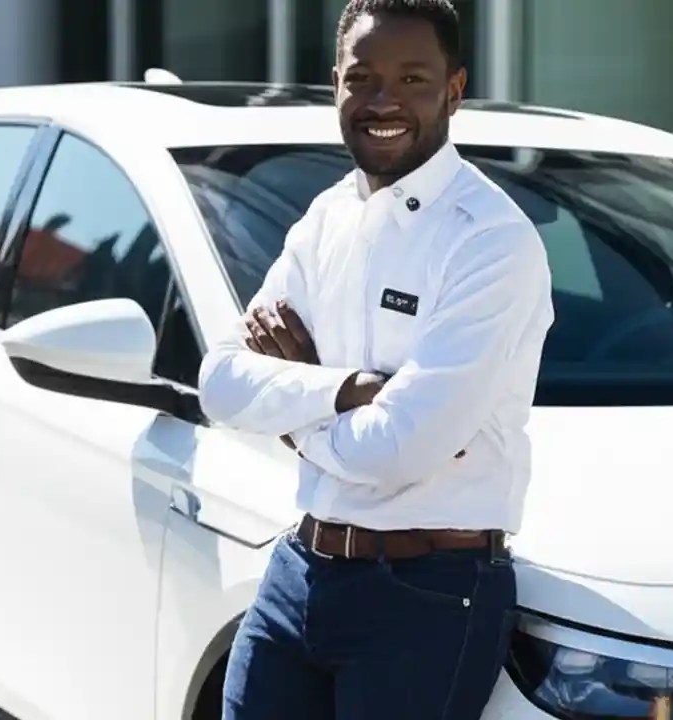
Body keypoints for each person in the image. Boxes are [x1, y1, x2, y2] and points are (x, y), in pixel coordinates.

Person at [196, 1, 554, 717]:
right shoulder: (325, 217)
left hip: (426, 596)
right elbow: (220, 382)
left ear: (453, 90)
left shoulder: (490, 242)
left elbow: (399, 448)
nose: (383, 101)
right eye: (363, 78)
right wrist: (349, 391)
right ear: (335, 84)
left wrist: (293, 416)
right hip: (298, 568)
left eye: (412, 78)